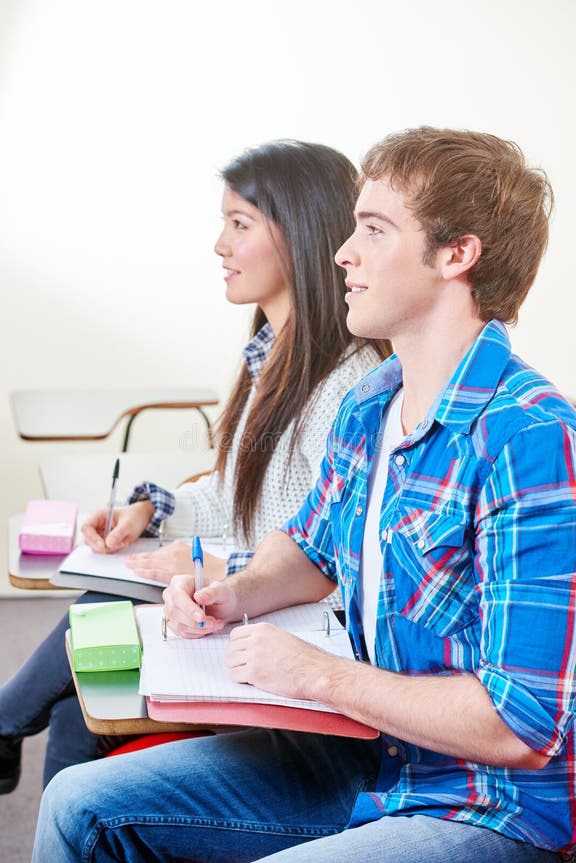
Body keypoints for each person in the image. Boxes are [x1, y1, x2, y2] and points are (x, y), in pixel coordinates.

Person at [32, 125, 576, 863]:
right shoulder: (373, 403)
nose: (343, 253)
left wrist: (320, 675)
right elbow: (312, 549)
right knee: (78, 804)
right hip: (365, 754)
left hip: (488, 802)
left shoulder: (530, 436)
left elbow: (522, 724)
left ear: (457, 254)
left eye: (374, 230)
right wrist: (234, 594)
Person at [0, 139, 389, 793]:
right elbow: (232, 495)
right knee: (79, 686)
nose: (219, 245)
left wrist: (215, 565)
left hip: (286, 630)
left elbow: (331, 567)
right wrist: (149, 510)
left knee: (97, 617)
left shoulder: (346, 387)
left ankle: (5, 728)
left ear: (299, 236)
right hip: (240, 600)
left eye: (239, 224)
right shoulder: (270, 355)